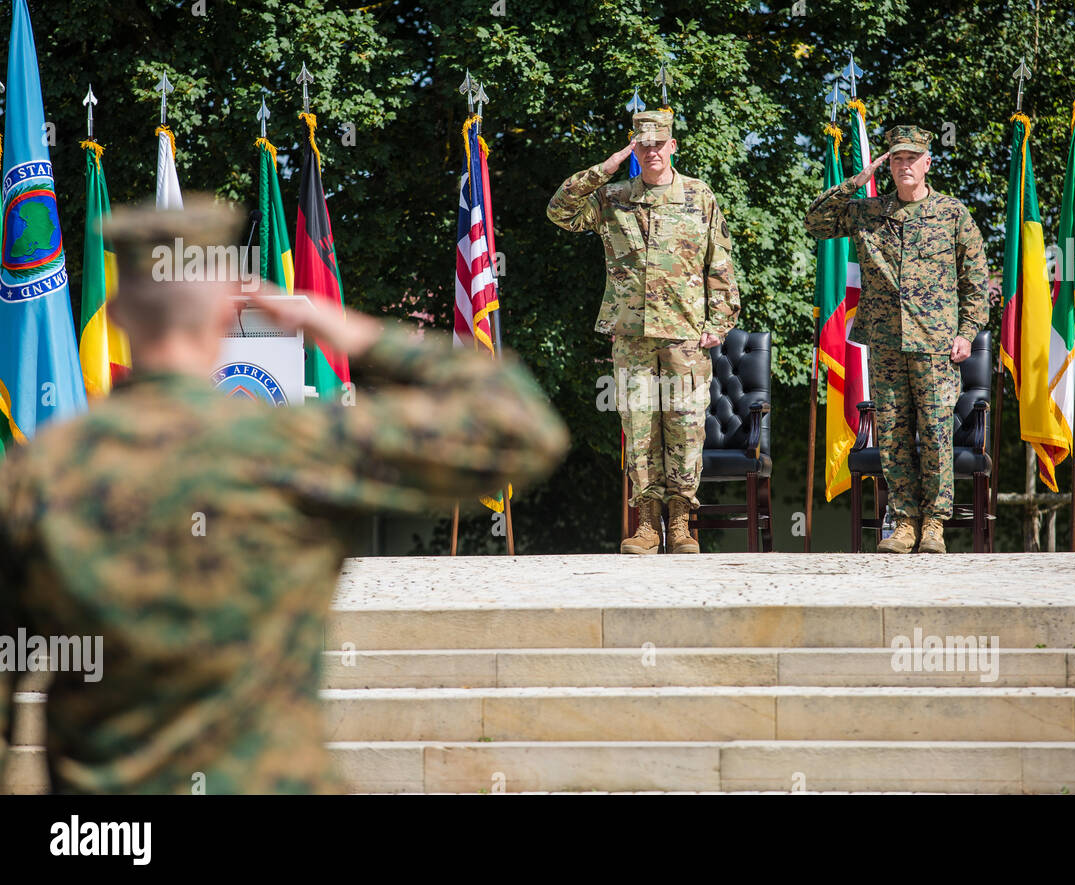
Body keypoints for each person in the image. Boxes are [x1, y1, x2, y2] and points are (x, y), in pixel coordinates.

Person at [0, 198, 568, 793]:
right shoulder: (295, 447)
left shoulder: (39, 472)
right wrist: (351, 330)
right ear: (227, 311)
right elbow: (522, 427)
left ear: (114, 315)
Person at [547, 109, 741, 554]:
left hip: (685, 335)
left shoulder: (699, 196)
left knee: (686, 428)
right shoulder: (614, 198)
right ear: (634, 148)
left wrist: (719, 322)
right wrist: (606, 166)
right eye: (643, 145)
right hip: (631, 335)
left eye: (659, 144)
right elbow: (560, 211)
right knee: (638, 428)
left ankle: (681, 524)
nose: (652, 152)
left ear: (673, 146)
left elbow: (720, 263)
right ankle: (648, 525)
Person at [804, 125, 989, 553]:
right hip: (886, 341)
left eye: (913, 158)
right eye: (897, 159)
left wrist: (966, 331)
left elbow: (976, 280)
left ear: (928, 162)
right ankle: (904, 521)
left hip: (936, 343)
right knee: (892, 432)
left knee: (937, 432)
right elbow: (816, 222)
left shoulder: (952, 213)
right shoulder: (869, 211)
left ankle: (936, 525)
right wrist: (856, 179)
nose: (905, 166)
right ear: (888, 165)